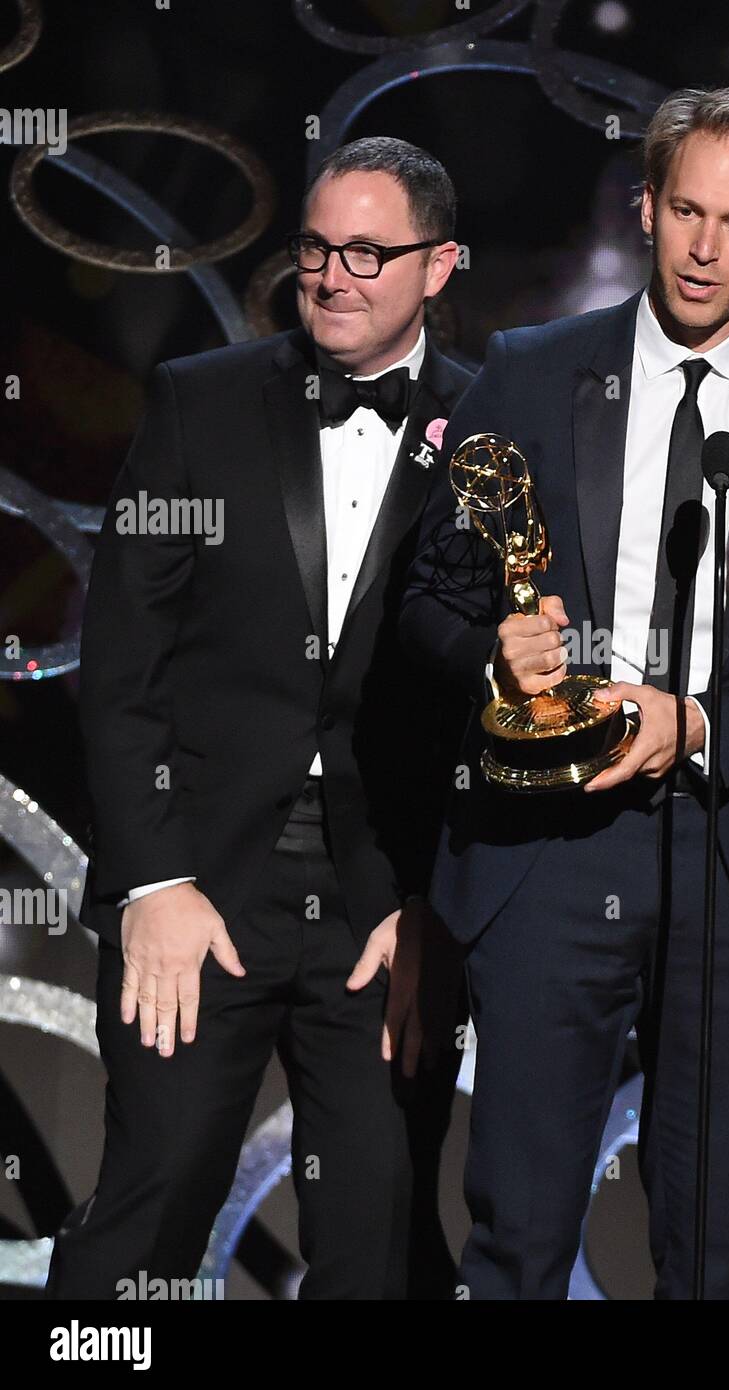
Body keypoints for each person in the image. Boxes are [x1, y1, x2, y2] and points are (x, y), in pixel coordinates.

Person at [401, 86, 729, 1299]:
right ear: (645, 208)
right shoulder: (530, 372)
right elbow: (425, 599)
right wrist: (493, 656)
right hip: (547, 851)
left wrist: (699, 724)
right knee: (518, 1238)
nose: (703, 246)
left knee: (709, 1248)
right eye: (685, 210)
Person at [49, 136, 471, 1299]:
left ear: (440, 267)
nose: (332, 275)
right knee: (143, 1223)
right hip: (202, 891)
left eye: (368, 253)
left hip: (385, 924)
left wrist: (436, 905)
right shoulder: (202, 402)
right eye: (316, 248)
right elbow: (122, 663)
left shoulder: (495, 432)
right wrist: (151, 883)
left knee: (378, 1244)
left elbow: (496, 706)